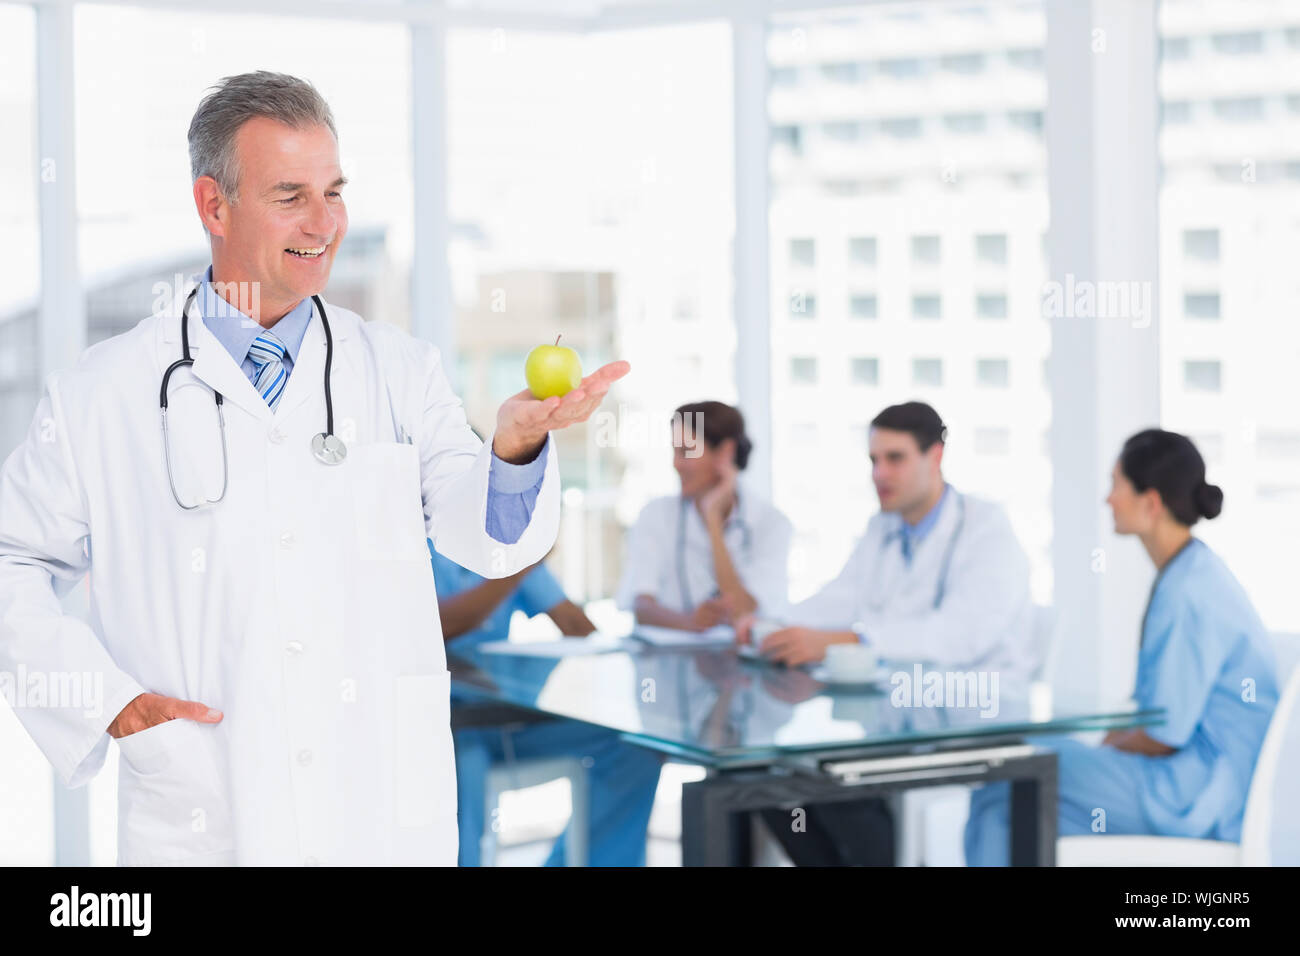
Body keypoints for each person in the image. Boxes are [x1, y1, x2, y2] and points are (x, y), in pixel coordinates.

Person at [0, 71, 628, 866]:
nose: (325, 222)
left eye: (335, 191)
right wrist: (107, 701)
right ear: (213, 206)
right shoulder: (104, 393)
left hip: (376, 811)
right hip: (205, 806)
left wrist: (514, 449)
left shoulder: (399, 370)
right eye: (290, 194)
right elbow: (11, 559)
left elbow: (486, 541)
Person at [964, 429, 1279, 865]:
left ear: (1150, 502)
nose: (1107, 499)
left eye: (1116, 484)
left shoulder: (1187, 592)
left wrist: (1106, 746)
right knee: (1015, 790)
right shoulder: (1193, 573)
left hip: (1195, 795)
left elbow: (1166, 733)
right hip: (1205, 786)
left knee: (1015, 778)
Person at [739, 401, 1033, 865]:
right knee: (764, 781)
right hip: (894, 718)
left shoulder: (987, 530)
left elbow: (959, 636)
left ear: (934, 456)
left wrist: (848, 641)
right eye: (874, 460)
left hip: (972, 718)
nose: (880, 473)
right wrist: (771, 626)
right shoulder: (884, 529)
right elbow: (838, 599)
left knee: (833, 787)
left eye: (895, 458)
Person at [429, 545, 664, 866]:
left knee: (636, 747)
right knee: (461, 772)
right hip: (448, 726)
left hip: (506, 718)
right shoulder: (424, 543)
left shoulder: (505, 544)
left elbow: (577, 626)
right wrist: (515, 570)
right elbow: (436, 626)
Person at [617, 401, 792, 629]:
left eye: (686, 452)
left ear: (725, 453)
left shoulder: (772, 524)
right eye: (674, 451)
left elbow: (741, 610)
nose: (676, 464)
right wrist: (689, 622)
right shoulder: (656, 514)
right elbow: (641, 605)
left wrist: (713, 521)